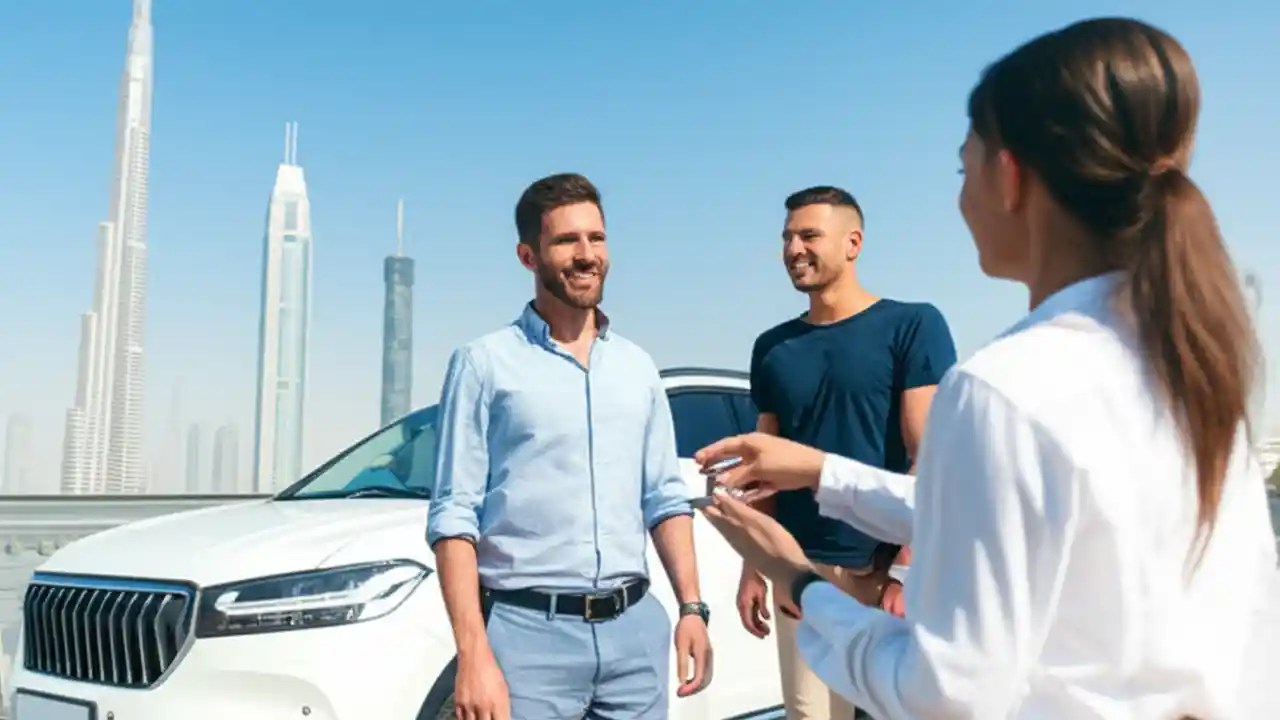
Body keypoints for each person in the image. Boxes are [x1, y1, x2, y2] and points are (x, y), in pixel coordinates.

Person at [695, 17, 1277, 720]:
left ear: (1009, 177)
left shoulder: (1009, 386)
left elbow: (945, 693)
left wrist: (797, 579)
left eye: (962, 164)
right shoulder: (1190, 362)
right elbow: (999, 511)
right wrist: (821, 473)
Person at [427, 172, 712, 720]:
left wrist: (692, 609)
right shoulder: (484, 364)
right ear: (527, 256)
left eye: (596, 239)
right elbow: (453, 517)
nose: (587, 255)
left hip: (636, 638)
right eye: (566, 241)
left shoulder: (638, 367)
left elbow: (665, 499)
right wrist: (473, 654)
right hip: (527, 639)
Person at [739, 185, 955, 720]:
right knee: (809, 715)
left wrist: (907, 569)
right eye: (787, 237)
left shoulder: (912, 324)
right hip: (801, 575)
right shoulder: (773, 347)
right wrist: (754, 566)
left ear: (853, 242)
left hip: (881, 571)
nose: (793, 248)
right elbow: (760, 465)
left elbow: (927, 453)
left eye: (809, 235)